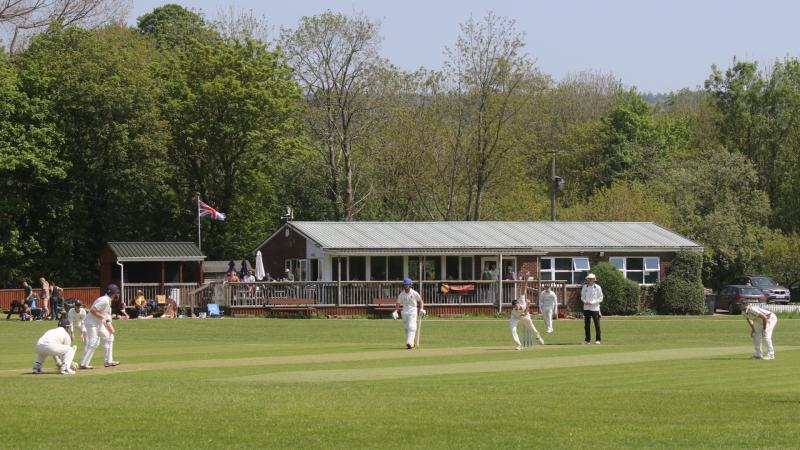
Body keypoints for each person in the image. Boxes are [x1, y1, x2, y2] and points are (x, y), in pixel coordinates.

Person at [79, 284, 120, 369]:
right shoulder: (104, 300)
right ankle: (83, 364)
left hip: (98, 323)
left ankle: (108, 361)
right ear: (112, 293)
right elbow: (93, 310)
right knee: (93, 342)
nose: (118, 295)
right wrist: (103, 317)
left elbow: (105, 314)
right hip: (91, 323)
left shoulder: (108, 300)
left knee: (109, 337)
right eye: (117, 293)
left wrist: (108, 323)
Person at [509, 277, 544, 350]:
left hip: (524, 314)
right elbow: (524, 313)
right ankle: (519, 345)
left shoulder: (521, 301)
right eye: (514, 306)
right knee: (513, 330)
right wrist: (528, 305)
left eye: (516, 305)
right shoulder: (514, 311)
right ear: (513, 307)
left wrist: (526, 280)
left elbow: (523, 289)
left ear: (518, 303)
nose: (516, 307)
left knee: (531, 326)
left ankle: (538, 336)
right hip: (515, 317)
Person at [393, 278, 425, 349]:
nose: (406, 287)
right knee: (406, 328)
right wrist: (396, 311)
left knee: (412, 326)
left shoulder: (414, 293)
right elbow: (398, 303)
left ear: (410, 285)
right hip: (404, 312)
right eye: (405, 285)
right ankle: (411, 343)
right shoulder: (402, 294)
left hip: (413, 311)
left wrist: (421, 308)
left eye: (407, 285)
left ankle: (409, 343)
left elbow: (420, 301)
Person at [581, 273, 603, 345]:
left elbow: (600, 298)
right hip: (586, 308)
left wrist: (592, 302)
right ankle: (587, 340)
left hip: (595, 308)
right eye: (589, 279)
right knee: (586, 325)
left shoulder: (598, 287)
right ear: (587, 279)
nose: (590, 280)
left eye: (592, 279)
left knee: (597, 324)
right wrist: (585, 301)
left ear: (594, 280)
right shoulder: (585, 287)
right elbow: (582, 297)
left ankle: (598, 339)